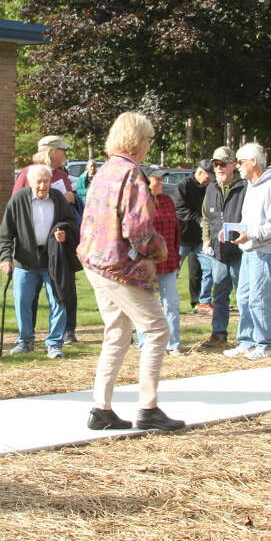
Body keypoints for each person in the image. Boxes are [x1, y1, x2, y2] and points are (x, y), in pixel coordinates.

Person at [79, 112, 184, 431]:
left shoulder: (104, 171)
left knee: (117, 332)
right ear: (137, 140)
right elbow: (138, 229)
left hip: (96, 264)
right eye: (149, 139)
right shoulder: (132, 174)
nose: (150, 145)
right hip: (122, 268)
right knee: (156, 330)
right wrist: (160, 249)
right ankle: (148, 408)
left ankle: (101, 409)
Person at [0, 165, 77, 359]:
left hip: (53, 261)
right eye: (39, 181)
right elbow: (6, 233)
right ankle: (25, 341)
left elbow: (72, 223)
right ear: (30, 182)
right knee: (22, 301)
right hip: (24, 262)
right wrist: (6, 258)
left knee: (59, 301)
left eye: (46, 181)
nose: (43, 185)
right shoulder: (18, 199)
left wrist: (65, 234)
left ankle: (54, 344)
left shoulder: (58, 199)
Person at [222, 143, 271, 360]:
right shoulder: (251, 185)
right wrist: (232, 230)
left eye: (240, 162)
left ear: (253, 162)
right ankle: (246, 340)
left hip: (263, 250)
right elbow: (248, 221)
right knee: (243, 297)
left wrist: (252, 235)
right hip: (248, 249)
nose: (237, 166)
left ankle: (265, 344)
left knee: (259, 298)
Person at [196, 146, 246, 350]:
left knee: (243, 295)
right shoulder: (210, 188)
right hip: (217, 251)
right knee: (219, 294)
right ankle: (218, 335)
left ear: (234, 165)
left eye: (223, 164)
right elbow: (207, 218)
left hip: (240, 249)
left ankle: (247, 337)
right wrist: (206, 239)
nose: (218, 168)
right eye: (215, 164)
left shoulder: (245, 188)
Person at [145, 169, 183, 355]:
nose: (160, 182)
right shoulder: (140, 203)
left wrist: (177, 256)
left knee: (171, 303)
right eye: (156, 179)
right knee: (147, 305)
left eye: (161, 179)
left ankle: (173, 343)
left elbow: (176, 230)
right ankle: (146, 343)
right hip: (147, 264)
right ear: (146, 181)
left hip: (168, 262)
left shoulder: (168, 201)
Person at [173, 159, 214, 316]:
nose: (209, 180)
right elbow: (178, 209)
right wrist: (198, 219)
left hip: (200, 239)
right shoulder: (183, 185)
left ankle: (203, 302)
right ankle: (164, 302)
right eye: (208, 176)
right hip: (182, 238)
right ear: (200, 172)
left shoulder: (208, 188)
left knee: (209, 269)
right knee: (172, 272)